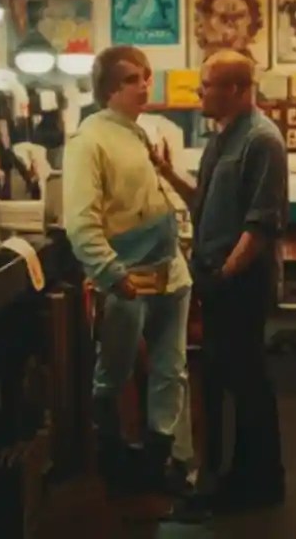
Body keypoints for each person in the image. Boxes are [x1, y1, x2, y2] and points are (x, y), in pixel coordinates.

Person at [152, 50, 288, 512]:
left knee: (246, 382)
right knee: (228, 379)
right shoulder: (220, 140)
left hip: (240, 281)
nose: (198, 93)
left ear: (234, 90)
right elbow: (203, 204)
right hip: (217, 276)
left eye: (206, 85)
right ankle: (235, 478)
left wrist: (225, 276)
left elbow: (261, 224)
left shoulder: (261, 141)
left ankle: (259, 483)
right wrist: (167, 171)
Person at [61, 46, 192, 498]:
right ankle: (113, 457)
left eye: (147, 76)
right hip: (127, 274)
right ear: (110, 88)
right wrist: (109, 271)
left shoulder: (137, 132)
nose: (145, 85)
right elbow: (79, 220)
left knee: (170, 369)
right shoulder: (89, 141)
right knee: (113, 371)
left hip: (169, 271)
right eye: (134, 78)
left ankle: (159, 456)